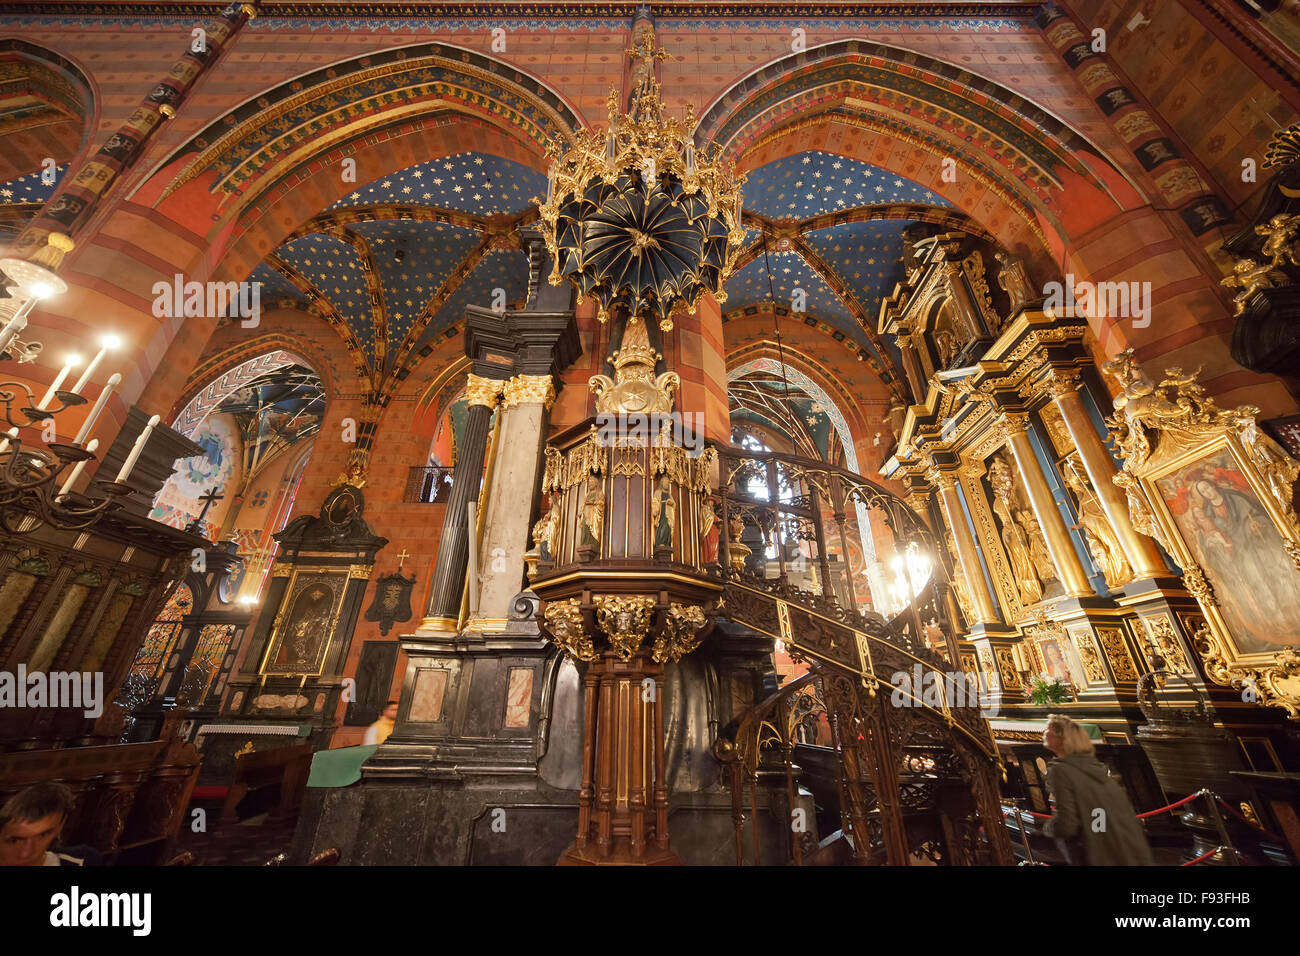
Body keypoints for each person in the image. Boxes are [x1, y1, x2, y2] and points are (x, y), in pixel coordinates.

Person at [1041, 714, 1153, 865]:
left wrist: (1048, 828)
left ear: (1062, 738)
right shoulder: (1094, 765)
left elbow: (1067, 824)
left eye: (1048, 729)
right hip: (1125, 846)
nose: (1044, 732)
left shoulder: (1060, 771)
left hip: (1096, 852)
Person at [0, 782, 101, 866]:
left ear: (60, 826)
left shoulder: (82, 862)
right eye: (14, 841)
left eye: (42, 835)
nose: (26, 854)